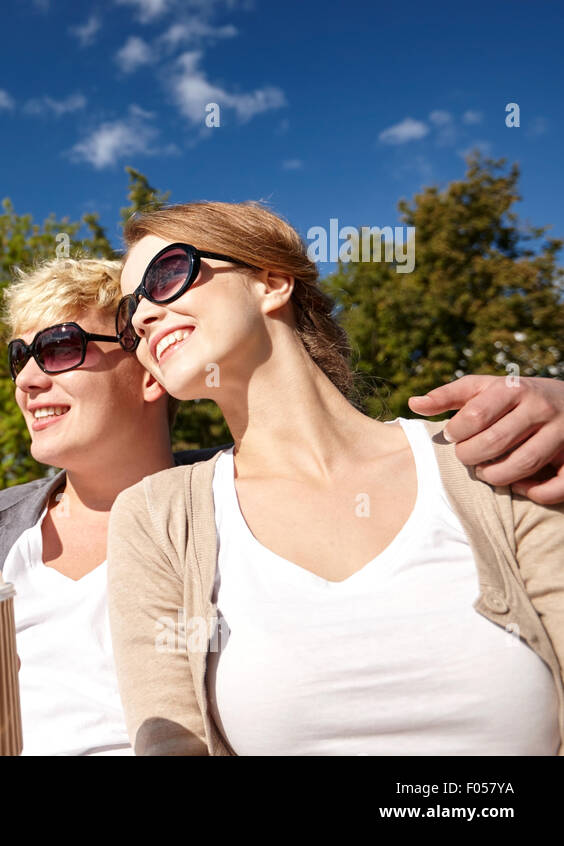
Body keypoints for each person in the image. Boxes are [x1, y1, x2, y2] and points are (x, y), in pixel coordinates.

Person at [0, 256, 564, 755]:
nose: (29, 377)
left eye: (60, 347)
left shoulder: (230, 511)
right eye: (19, 357)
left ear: (153, 371)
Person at [107, 201, 564, 755]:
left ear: (271, 281)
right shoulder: (156, 517)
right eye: (127, 311)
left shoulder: (488, 455)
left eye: (166, 276)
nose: (140, 317)